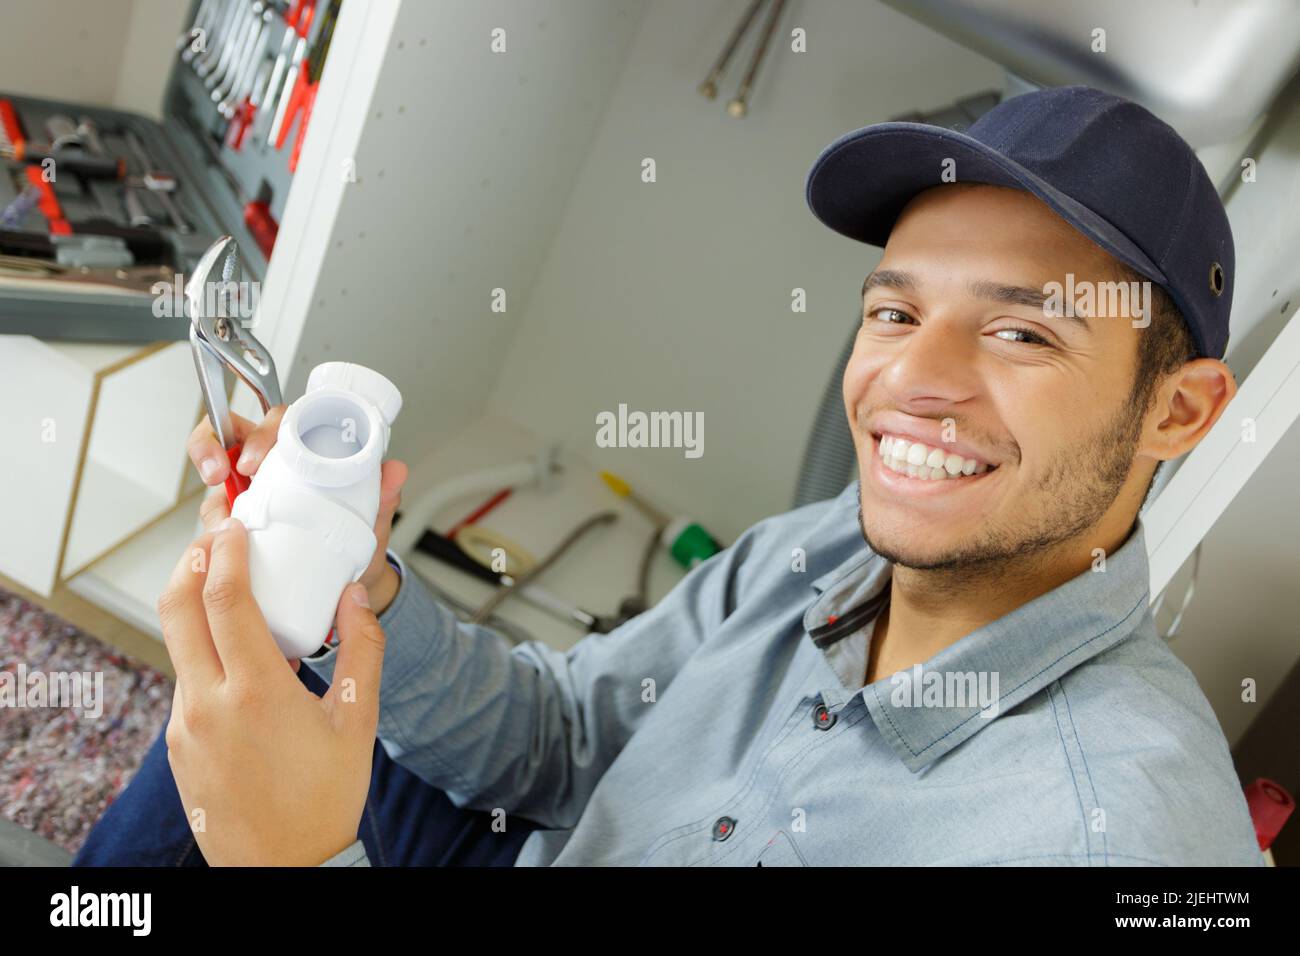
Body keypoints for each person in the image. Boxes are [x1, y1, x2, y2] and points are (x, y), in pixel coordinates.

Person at [75, 85, 1261, 867]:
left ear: (1177, 409)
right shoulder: (839, 543)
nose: (915, 381)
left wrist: (295, 853)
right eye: (896, 309)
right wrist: (356, 580)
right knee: (269, 648)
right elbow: (561, 741)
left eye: (1020, 333)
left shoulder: (1110, 835)